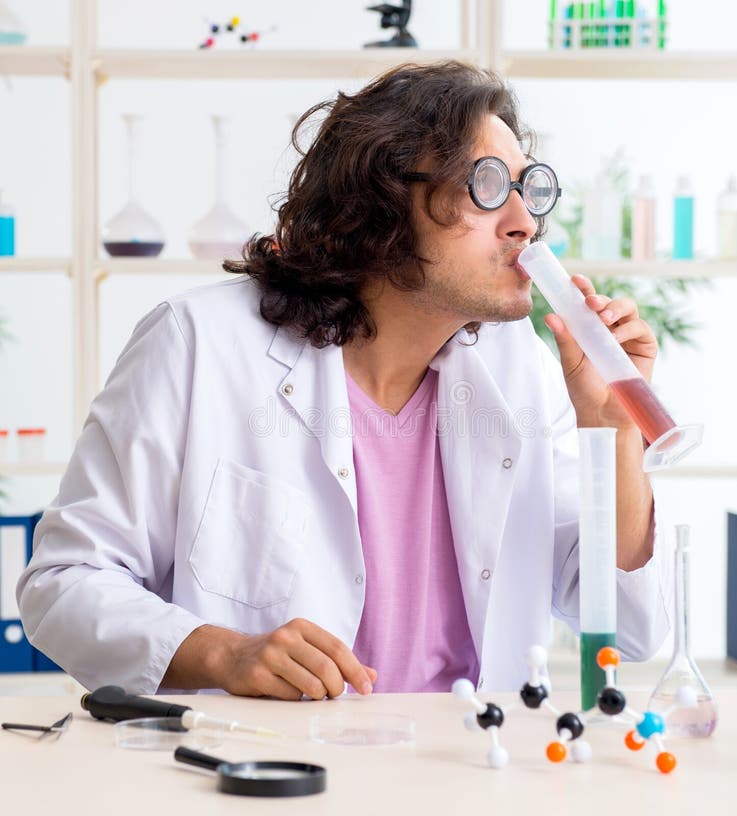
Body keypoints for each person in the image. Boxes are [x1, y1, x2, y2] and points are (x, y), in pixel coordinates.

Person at [18, 61, 670, 699]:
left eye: (529, 189)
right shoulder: (199, 344)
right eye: (487, 185)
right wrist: (225, 653)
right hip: (276, 778)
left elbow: (629, 627)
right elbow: (63, 584)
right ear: (380, 201)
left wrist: (613, 433)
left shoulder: (518, 367)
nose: (525, 221)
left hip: (472, 771)